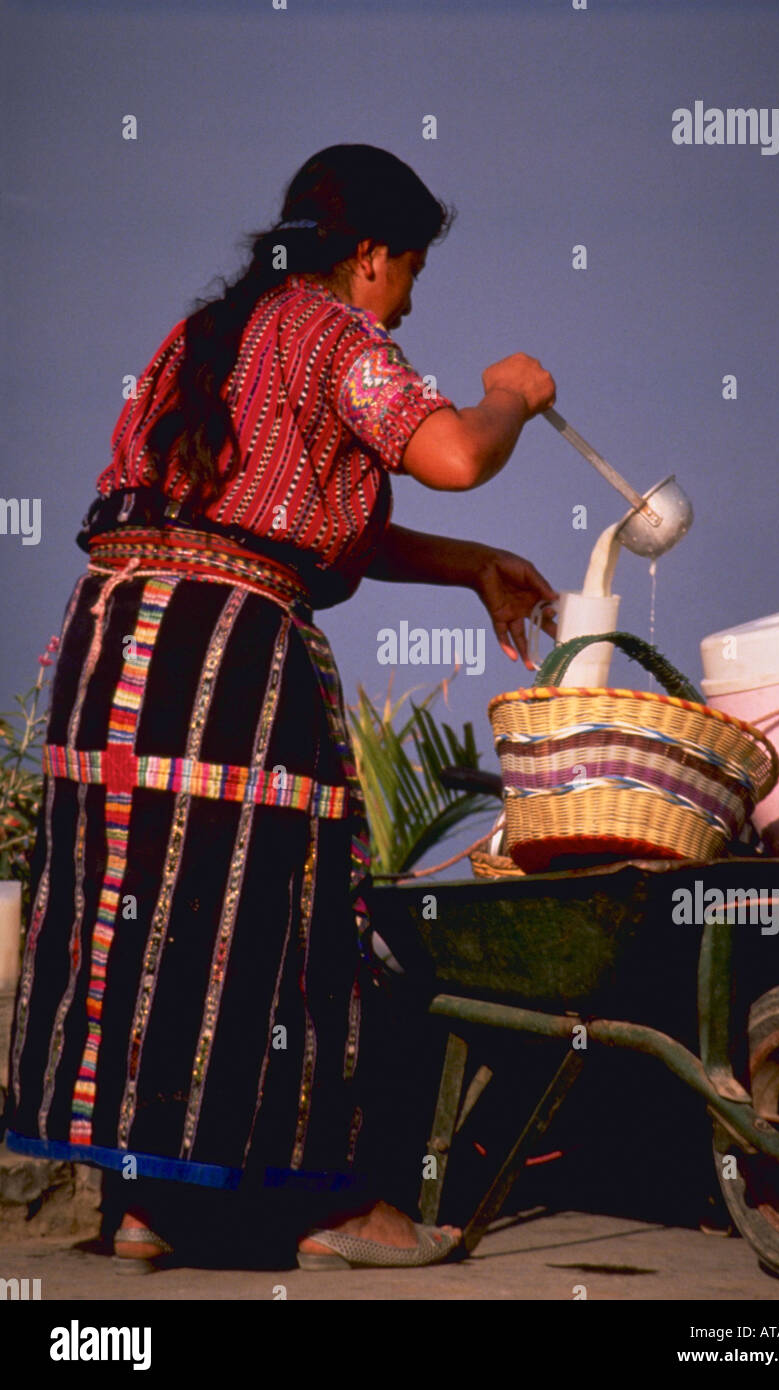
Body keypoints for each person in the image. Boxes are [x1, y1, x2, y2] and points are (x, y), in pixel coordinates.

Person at [3, 143, 557, 1271]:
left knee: (142, 923)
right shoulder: (337, 336)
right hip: (228, 667)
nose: (405, 302)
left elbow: (276, 518)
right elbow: (450, 452)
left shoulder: (198, 345)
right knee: (274, 920)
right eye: (408, 273)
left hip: (112, 652)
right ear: (367, 258)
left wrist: (468, 566)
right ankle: (329, 1204)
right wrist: (512, 394)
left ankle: (151, 1206)